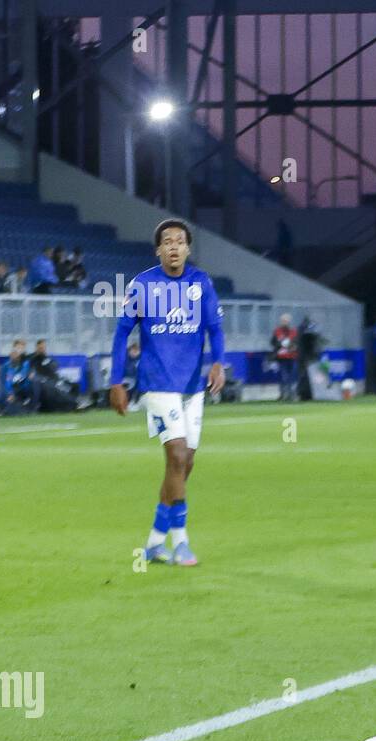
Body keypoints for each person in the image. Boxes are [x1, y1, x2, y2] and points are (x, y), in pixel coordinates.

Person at [108, 218, 226, 568]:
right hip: (158, 383)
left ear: (188, 248)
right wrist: (117, 381)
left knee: (183, 466)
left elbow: (215, 328)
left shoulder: (201, 283)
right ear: (158, 249)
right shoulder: (142, 285)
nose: (173, 246)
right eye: (167, 241)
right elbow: (121, 335)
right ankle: (182, 544)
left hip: (192, 387)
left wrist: (219, 362)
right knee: (176, 457)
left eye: (180, 241)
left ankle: (155, 542)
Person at [0, 339, 40, 414]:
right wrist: (8, 394)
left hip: (22, 393)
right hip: (10, 394)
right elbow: (1, 384)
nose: (19, 352)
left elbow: (30, 378)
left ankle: (33, 407)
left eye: (22, 349)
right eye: (18, 349)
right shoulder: (5, 367)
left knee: (36, 381)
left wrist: (32, 374)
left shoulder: (27, 365)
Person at [271, 313, 300, 401]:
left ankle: (292, 394)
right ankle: (283, 394)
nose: (285, 322)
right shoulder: (277, 331)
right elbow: (273, 342)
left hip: (292, 357)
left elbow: (297, 343)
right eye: (283, 321)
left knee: (293, 377)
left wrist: (293, 347)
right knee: (283, 377)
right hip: (282, 358)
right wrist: (278, 345)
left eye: (286, 321)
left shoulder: (294, 331)